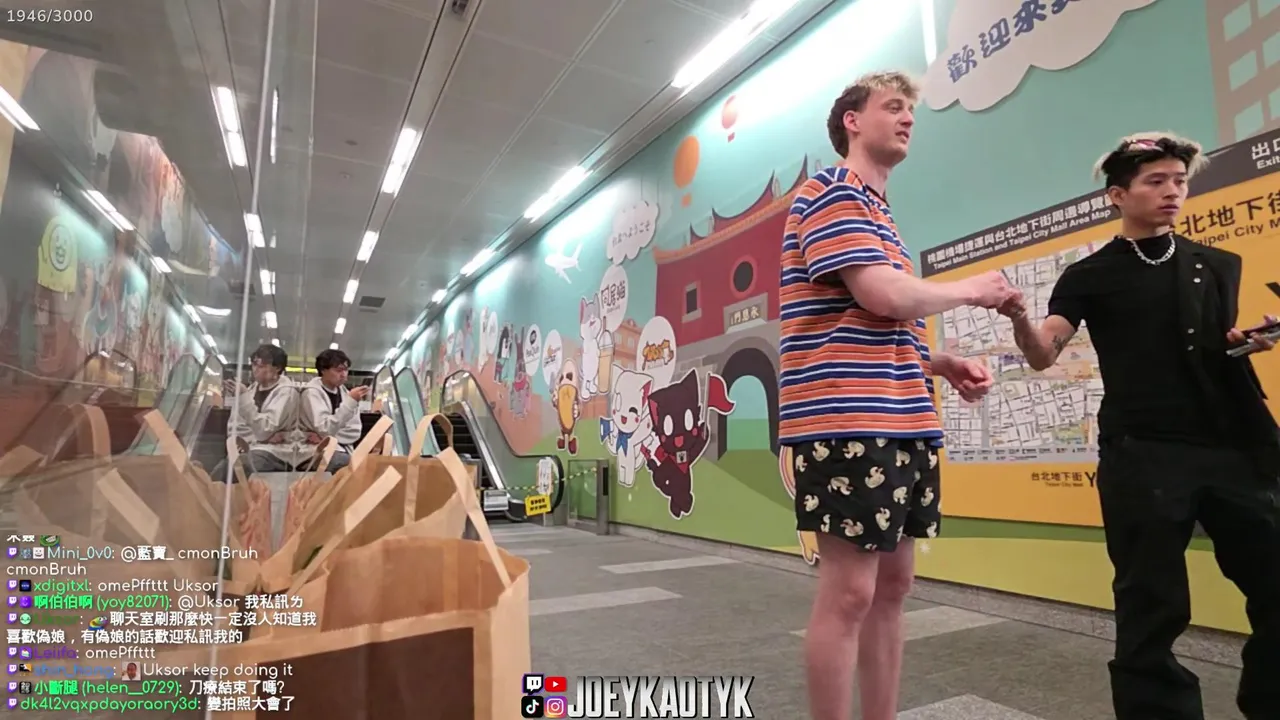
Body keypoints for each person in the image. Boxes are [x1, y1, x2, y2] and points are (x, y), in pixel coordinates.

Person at [997, 132, 1280, 720]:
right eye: (1156, 181)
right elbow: (1044, 353)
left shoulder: (1214, 264)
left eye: (1179, 180)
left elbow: (1205, 348)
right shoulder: (1090, 275)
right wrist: (1021, 318)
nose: (1173, 191)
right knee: (1151, 605)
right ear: (1117, 195)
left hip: (1231, 445)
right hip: (1142, 453)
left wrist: (1244, 342)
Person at [779, 70, 1015, 720]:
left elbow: (871, 320)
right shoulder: (831, 192)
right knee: (850, 593)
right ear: (852, 121)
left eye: (912, 109)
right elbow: (882, 295)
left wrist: (939, 362)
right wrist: (972, 290)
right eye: (893, 106)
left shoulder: (879, 214)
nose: (909, 117)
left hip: (903, 419)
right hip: (846, 418)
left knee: (893, 587)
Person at [212, 344, 301, 482]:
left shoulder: (287, 392)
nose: (255, 370)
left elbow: (265, 428)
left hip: (277, 453)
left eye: (262, 366)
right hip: (251, 448)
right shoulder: (251, 390)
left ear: (277, 368)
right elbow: (236, 426)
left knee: (234, 469)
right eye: (254, 365)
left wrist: (262, 436)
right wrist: (259, 439)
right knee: (222, 470)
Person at [301, 348, 369, 472]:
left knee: (364, 465)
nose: (343, 374)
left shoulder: (347, 394)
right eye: (338, 370)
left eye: (346, 370)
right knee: (346, 465)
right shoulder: (311, 393)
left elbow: (355, 431)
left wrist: (326, 437)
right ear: (323, 370)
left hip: (342, 450)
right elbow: (324, 428)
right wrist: (350, 403)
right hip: (313, 452)